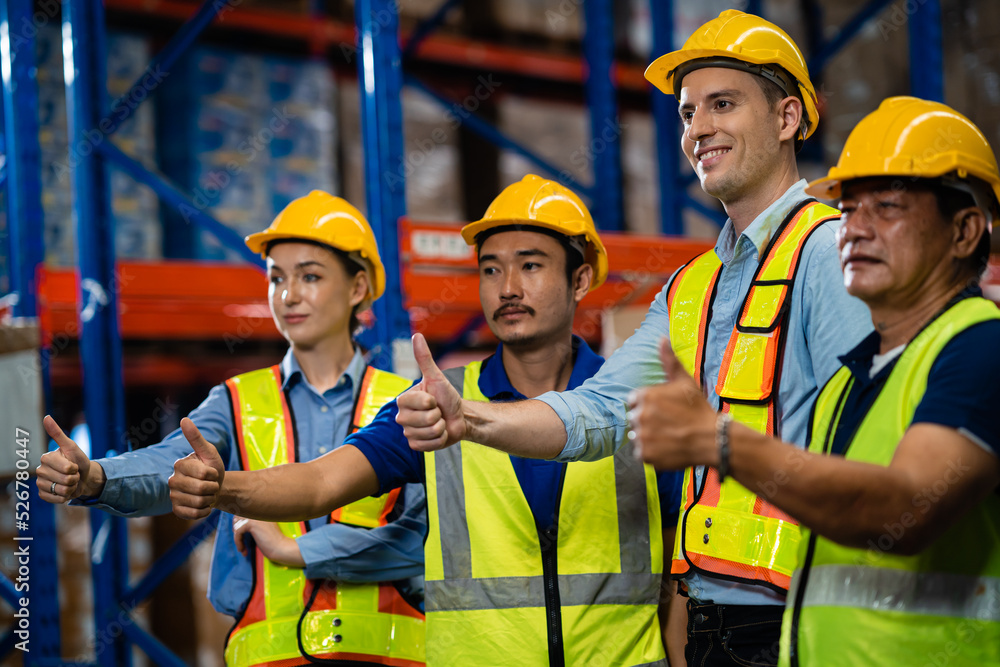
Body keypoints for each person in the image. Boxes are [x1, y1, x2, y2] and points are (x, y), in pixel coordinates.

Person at [392, 10, 872, 666]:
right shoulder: (691, 287)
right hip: (718, 620)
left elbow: (876, 456)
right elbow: (601, 412)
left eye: (722, 105)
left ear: (787, 118)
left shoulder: (832, 254)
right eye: (686, 113)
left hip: (809, 616)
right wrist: (468, 417)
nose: (698, 128)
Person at [169, 175, 680, 667]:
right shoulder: (435, 403)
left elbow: (683, 568)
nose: (507, 288)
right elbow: (323, 479)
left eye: (530, 266)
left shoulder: (635, 403)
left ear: (581, 278)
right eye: (490, 269)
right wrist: (223, 487)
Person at [629, 96, 1000, 666]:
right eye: (850, 209)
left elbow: (907, 509)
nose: (856, 229)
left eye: (889, 207)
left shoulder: (981, 346)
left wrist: (722, 441)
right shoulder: (851, 380)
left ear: (965, 231)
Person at [36, 192, 427, 667]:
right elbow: (170, 463)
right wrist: (96, 477)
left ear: (358, 287)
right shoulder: (238, 400)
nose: (289, 295)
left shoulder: (409, 403)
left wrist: (297, 550)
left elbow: (425, 540)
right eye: (276, 278)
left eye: (310, 276)